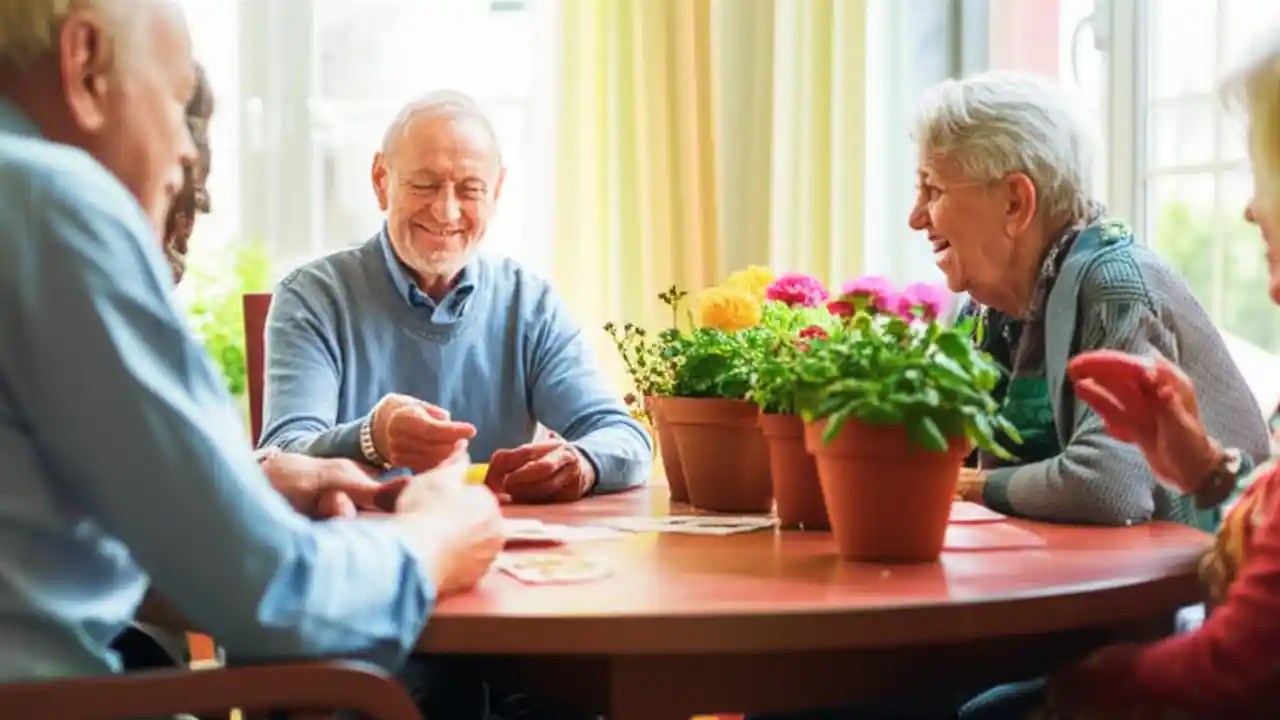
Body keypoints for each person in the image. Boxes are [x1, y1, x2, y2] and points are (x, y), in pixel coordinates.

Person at [0, 0, 503, 699]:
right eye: (178, 102)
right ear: (85, 65)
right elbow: (273, 599)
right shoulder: (48, 203)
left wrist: (241, 490)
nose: (185, 150)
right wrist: (432, 541)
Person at [973, 31, 1280, 719]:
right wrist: (1206, 473)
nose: (1251, 207)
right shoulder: (994, 311)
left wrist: (1074, 691)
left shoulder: (1111, 279)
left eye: (1263, 167)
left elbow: (1233, 673)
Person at [908, 71, 1268, 528]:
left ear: (1015, 203)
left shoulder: (1115, 284)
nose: (916, 217)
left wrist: (965, 486)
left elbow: (1108, 485)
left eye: (933, 189)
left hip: (1198, 587)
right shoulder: (986, 311)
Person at [258, 90, 652, 504]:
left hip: (504, 546)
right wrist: (370, 437)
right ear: (380, 181)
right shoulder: (313, 297)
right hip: (363, 546)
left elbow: (625, 437)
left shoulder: (530, 306)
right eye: (424, 185)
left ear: (496, 190)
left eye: (469, 189)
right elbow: (280, 455)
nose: (446, 212)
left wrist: (584, 463)